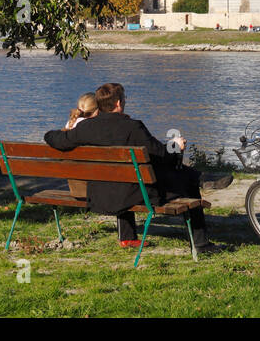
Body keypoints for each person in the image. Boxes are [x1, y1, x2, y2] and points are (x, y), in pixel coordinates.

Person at [44, 82, 214, 251]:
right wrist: (175, 145)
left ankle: (128, 236)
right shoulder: (133, 127)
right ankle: (200, 243)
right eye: (124, 98)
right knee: (187, 183)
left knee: (124, 176)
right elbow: (162, 154)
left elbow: (54, 138)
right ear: (118, 103)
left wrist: (56, 131)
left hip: (99, 193)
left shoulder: (85, 127)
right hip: (130, 193)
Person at [64, 92, 99, 198]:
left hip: (75, 188)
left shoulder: (70, 124)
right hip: (94, 189)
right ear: (97, 110)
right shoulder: (94, 127)